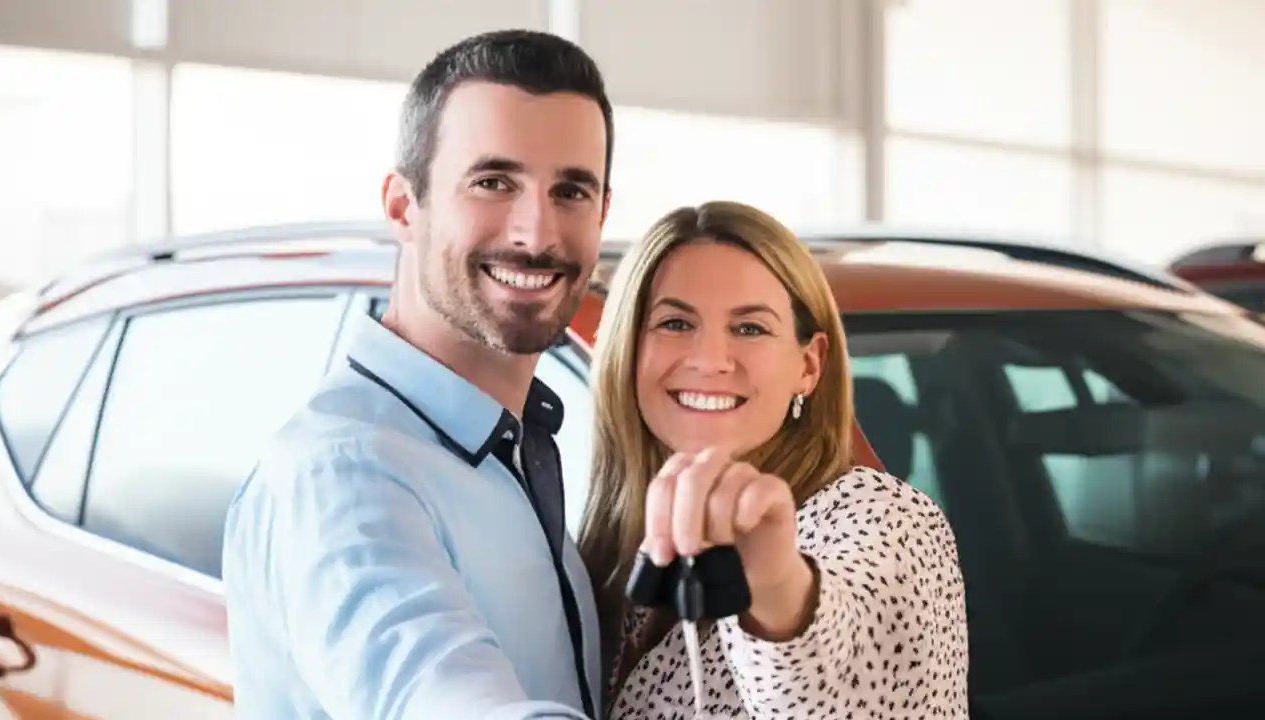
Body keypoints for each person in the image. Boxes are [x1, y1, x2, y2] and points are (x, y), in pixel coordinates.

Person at [222, 29, 614, 719]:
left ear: (604, 211)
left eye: (571, 191)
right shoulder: (344, 474)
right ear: (404, 206)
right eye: (494, 182)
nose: (537, 232)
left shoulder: (510, 446)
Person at [578, 201, 969, 718]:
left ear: (809, 366)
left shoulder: (890, 521)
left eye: (750, 329)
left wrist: (775, 582)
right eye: (674, 323)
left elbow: (843, 679)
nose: (710, 360)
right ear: (627, 353)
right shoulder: (608, 542)